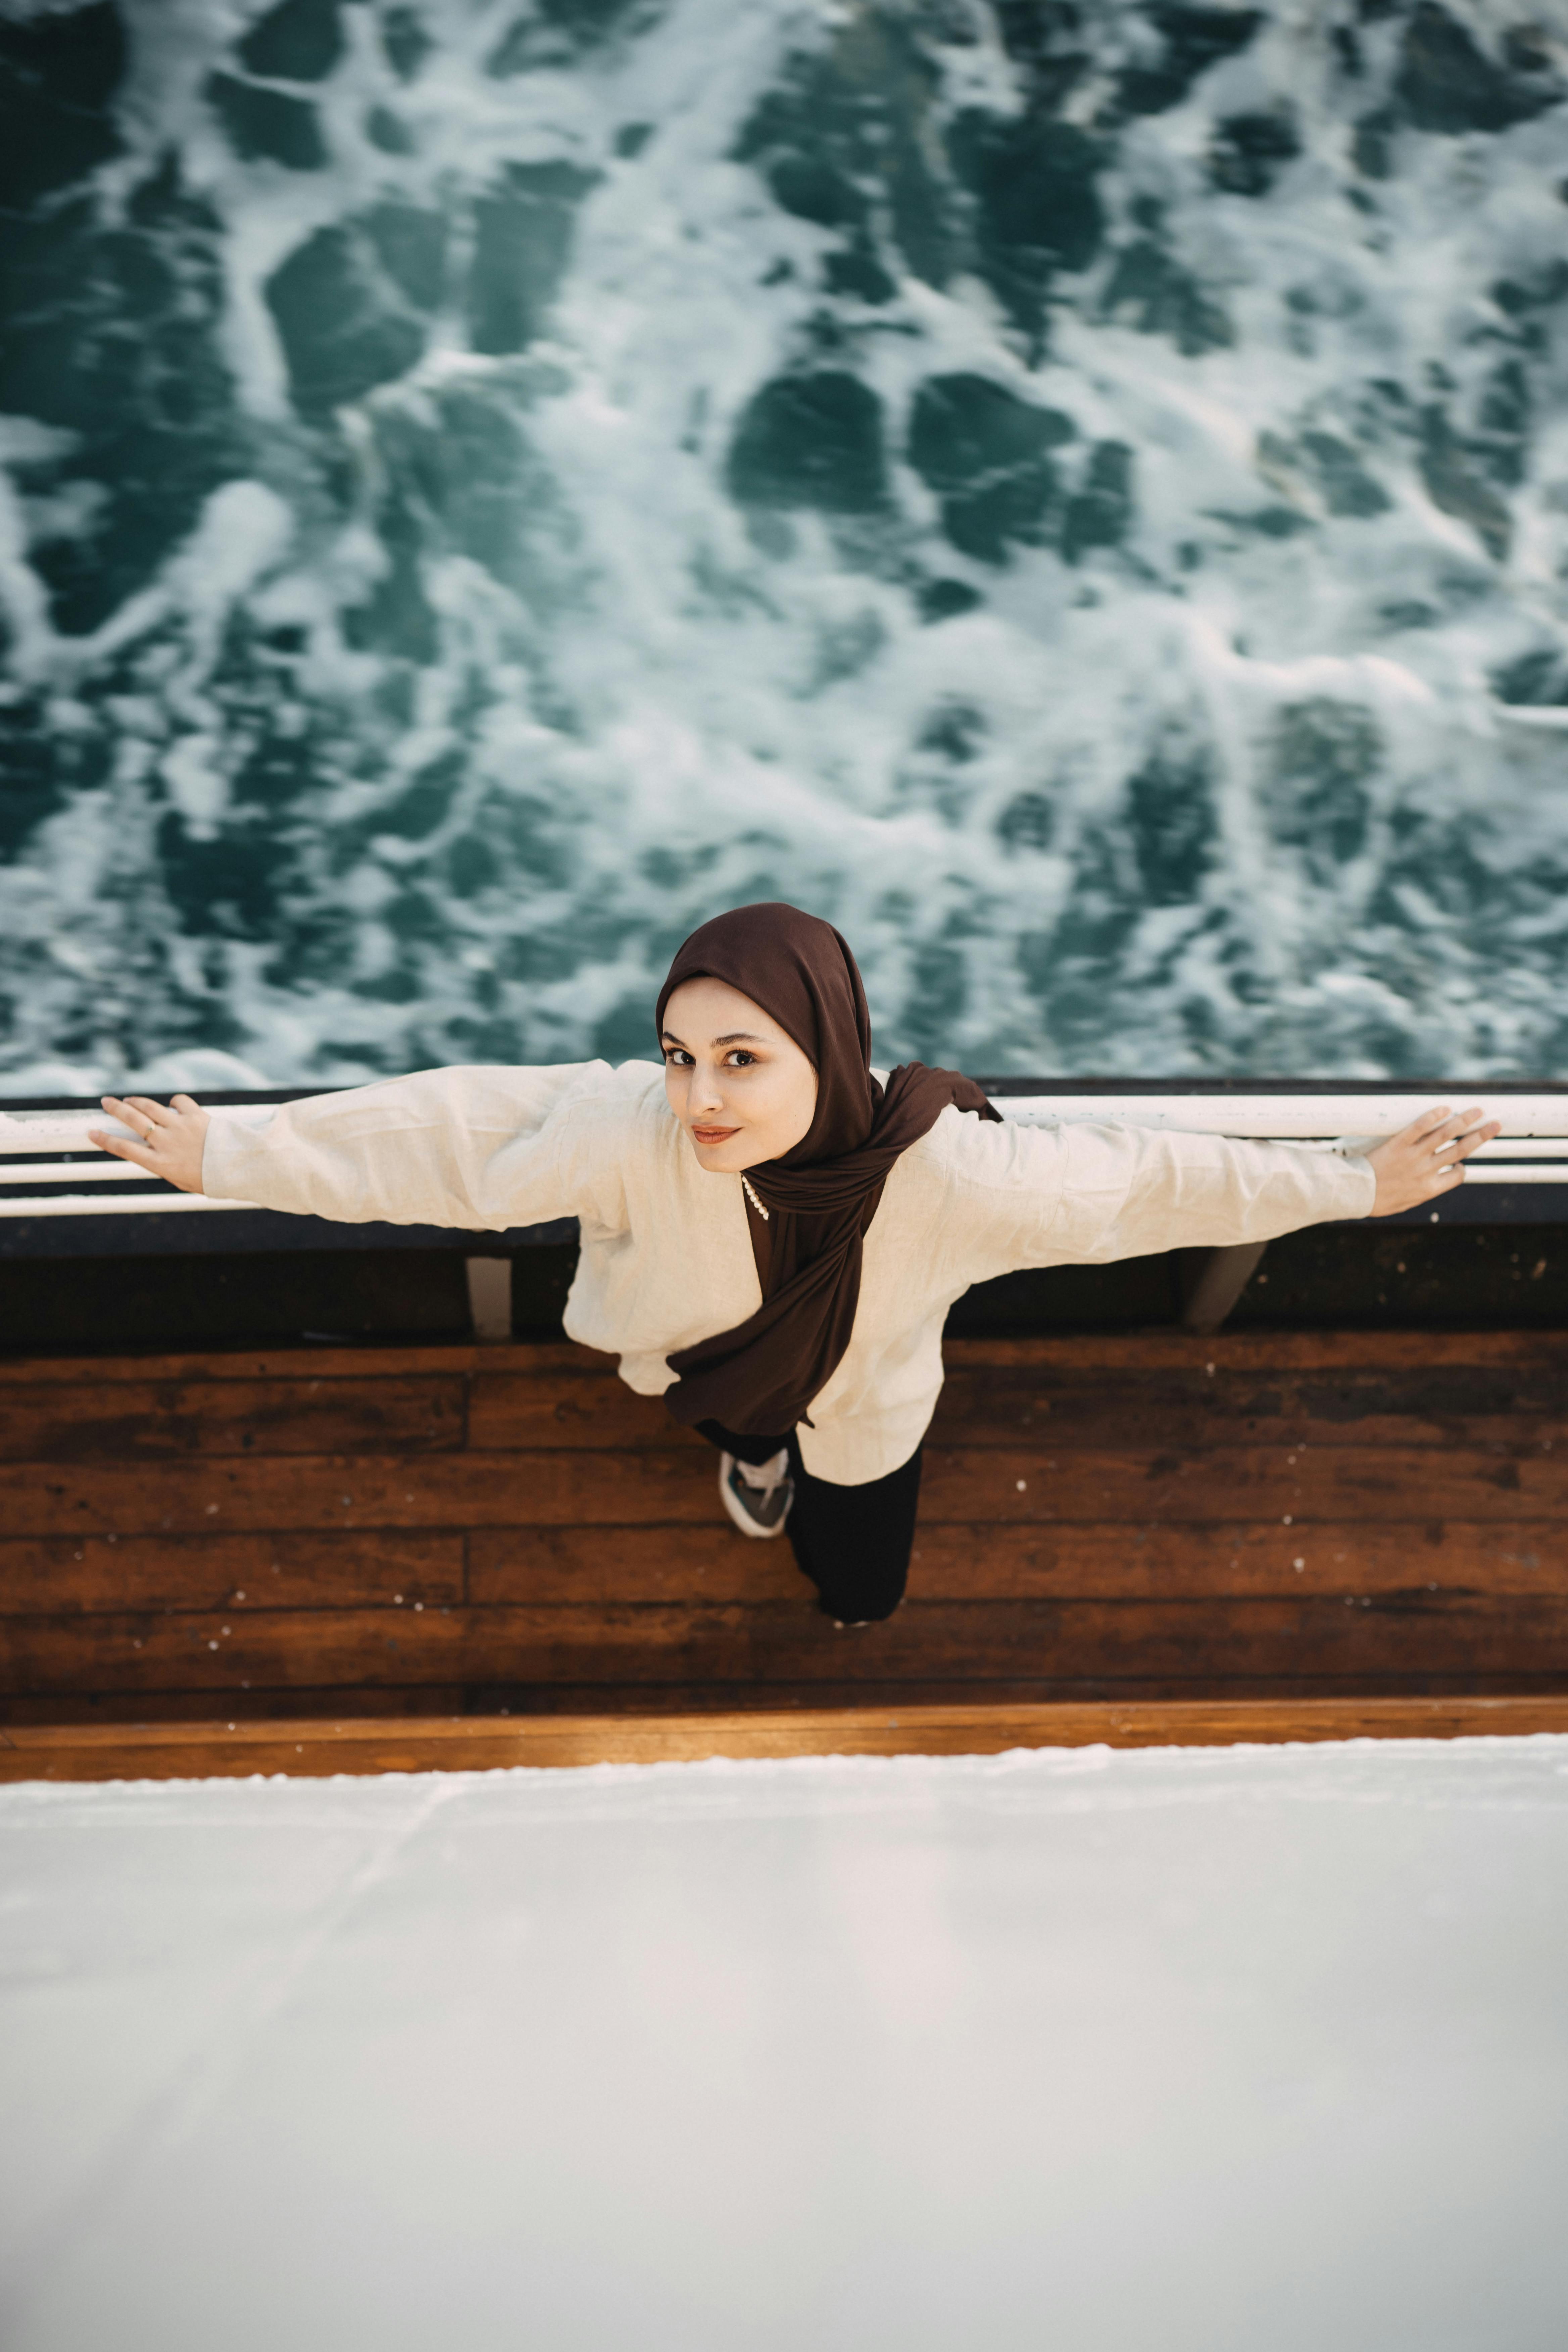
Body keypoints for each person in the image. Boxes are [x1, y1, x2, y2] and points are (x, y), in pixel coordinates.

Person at [88, 903, 1499, 1627]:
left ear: (825, 1049)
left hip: (870, 1406)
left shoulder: (951, 1175)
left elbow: (1144, 1180)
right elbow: (455, 1137)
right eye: (679, 1056)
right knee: (741, 1432)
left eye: (740, 1059)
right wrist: (235, 1153)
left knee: (861, 1580)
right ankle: (757, 1463)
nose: (700, 1097)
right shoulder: (634, 1133)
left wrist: (1353, 1182)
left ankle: (829, 1568)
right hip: (697, 1362)